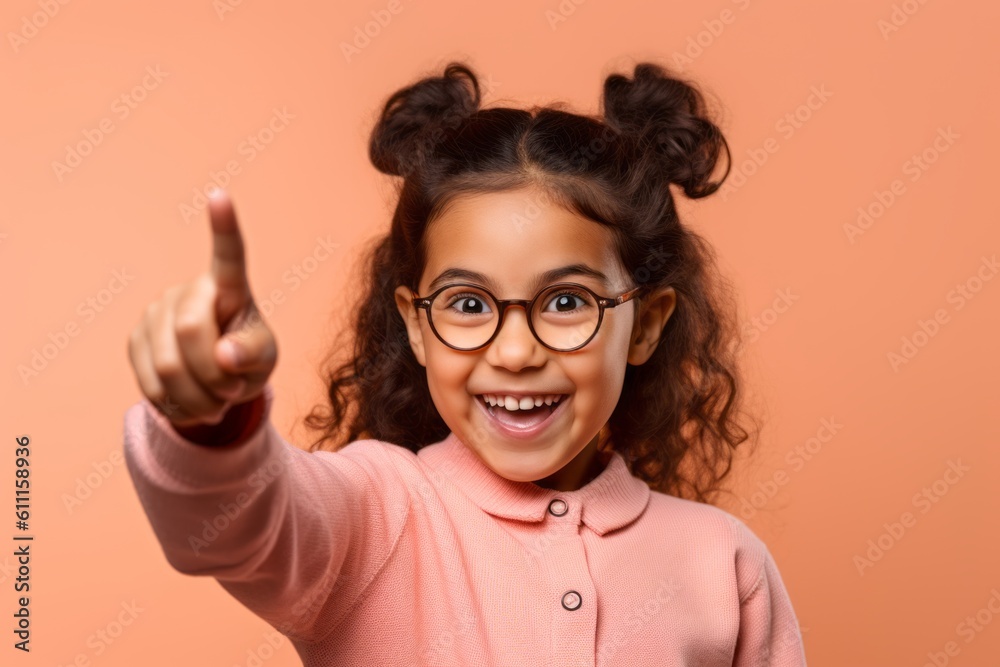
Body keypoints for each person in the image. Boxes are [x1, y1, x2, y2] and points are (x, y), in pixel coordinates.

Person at [123, 60, 807, 665]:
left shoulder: (722, 562)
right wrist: (212, 421)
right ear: (416, 324)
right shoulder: (372, 515)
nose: (514, 352)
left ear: (646, 325)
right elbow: (239, 522)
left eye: (567, 300)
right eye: (469, 304)